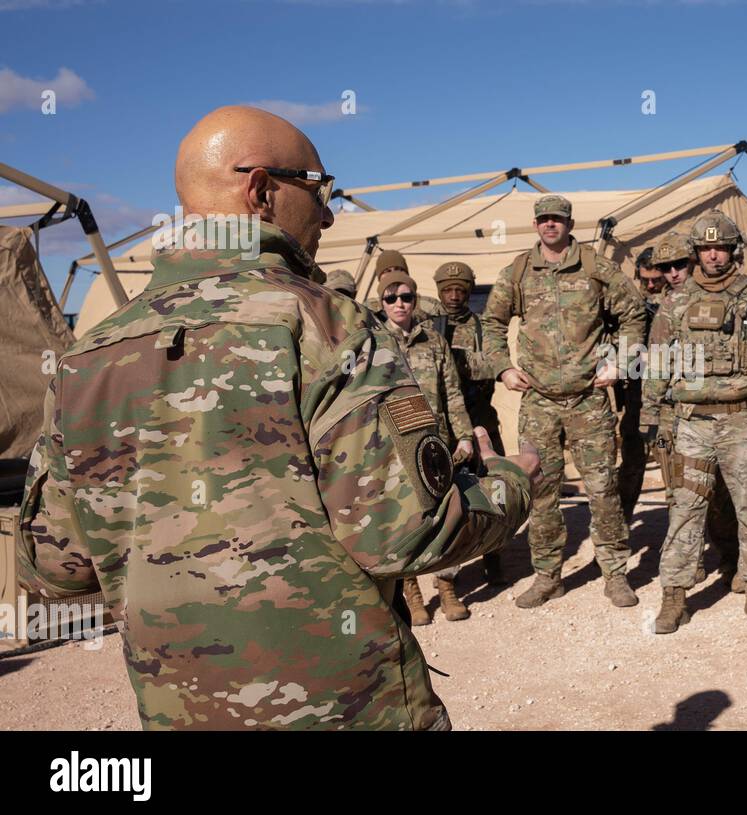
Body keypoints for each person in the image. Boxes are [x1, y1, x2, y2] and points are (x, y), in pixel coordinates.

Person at [16, 105, 536, 730]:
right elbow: (405, 534)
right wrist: (513, 480)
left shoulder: (84, 357)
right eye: (319, 188)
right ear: (261, 190)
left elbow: (56, 569)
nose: (328, 212)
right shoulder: (326, 325)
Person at [482, 194, 646, 609]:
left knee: (603, 488)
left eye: (557, 219)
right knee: (541, 491)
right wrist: (503, 367)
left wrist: (620, 364)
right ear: (535, 225)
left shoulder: (594, 267)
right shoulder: (519, 271)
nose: (549, 225)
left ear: (570, 223)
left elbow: (633, 314)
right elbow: (493, 322)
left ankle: (615, 573)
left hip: (588, 400)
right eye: (543, 219)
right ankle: (547, 576)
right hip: (539, 402)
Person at [643, 210, 747, 631]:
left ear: (735, 251)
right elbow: (657, 365)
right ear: (696, 253)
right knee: (685, 510)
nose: (714, 255)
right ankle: (674, 595)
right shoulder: (673, 303)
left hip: (743, 422)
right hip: (690, 423)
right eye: (706, 248)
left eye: (721, 247)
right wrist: (651, 418)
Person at [377, 253, 476, 624]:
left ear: (416, 299)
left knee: (446, 515)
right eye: (391, 298)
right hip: (393, 448)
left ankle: (448, 588)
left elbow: (452, 393)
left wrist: (465, 436)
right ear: (381, 301)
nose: (400, 304)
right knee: (403, 521)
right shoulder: (374, 344)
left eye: (407, 297)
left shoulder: (433, 341)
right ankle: (412, 593)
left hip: (437, 445)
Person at [432, 260, 507, 587]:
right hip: (446, 427)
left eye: (459, 290)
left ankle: (495, 558)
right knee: (449, 500)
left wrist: (454, 363)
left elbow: (494, 365)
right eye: (447, 290)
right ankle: (449, 570)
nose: (452, 297)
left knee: (495, 491)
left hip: (481, 423)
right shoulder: (431, 328)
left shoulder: (482, 327)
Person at [616, 245, 666, 518]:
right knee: (632, 464)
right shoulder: (628, 306)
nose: (650, 285)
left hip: (670, 405)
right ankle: (621, 524)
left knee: (673, 466)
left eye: (656, 280)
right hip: (637, 402)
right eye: (644, 279)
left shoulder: (681, 303)